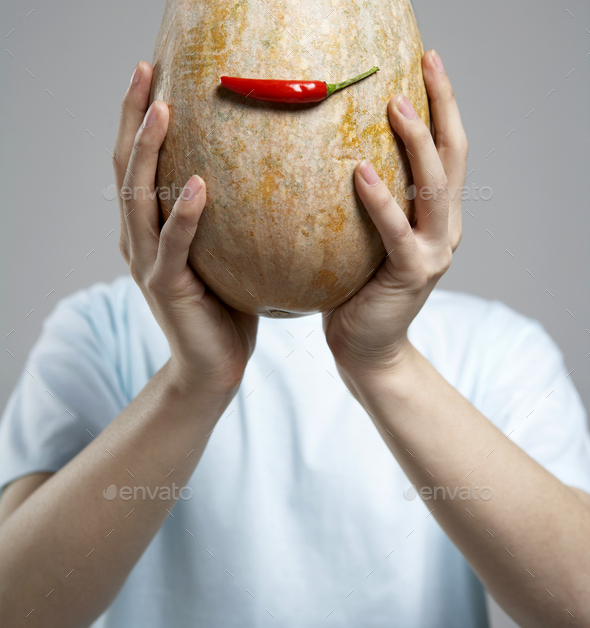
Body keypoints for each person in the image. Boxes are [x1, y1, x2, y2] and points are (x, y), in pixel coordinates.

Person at [0, 51, 588, 628]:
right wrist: (193, 385)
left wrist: (385, 365)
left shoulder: (501, 349)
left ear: (430, 142)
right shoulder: (97, 334)